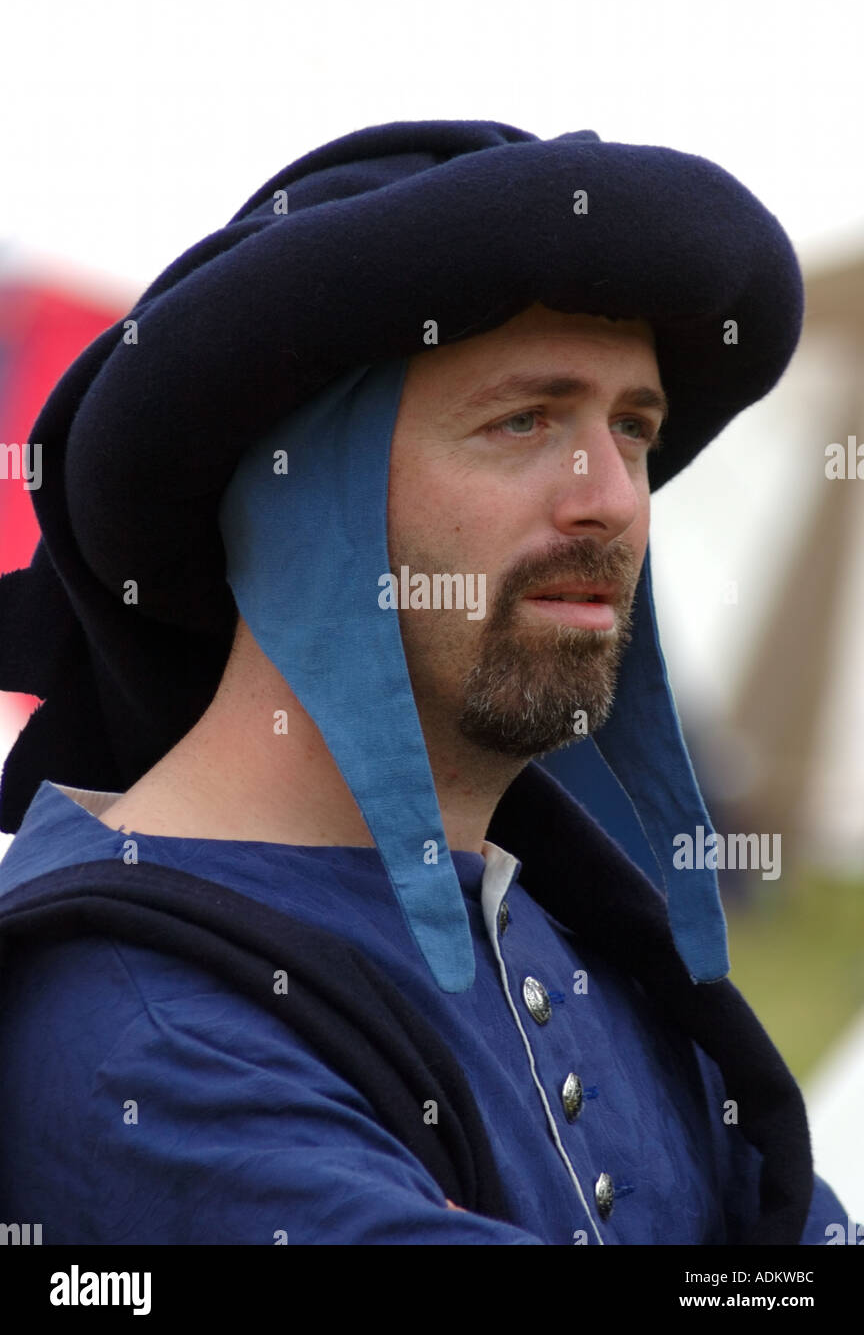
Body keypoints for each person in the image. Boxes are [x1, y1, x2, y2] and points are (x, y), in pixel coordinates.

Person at [0, 119, 853, 1245]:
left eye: (632, 428)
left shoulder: (580, 940)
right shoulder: (143, 1026)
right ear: (293, 502)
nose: (612, 497)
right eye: (524, 420)